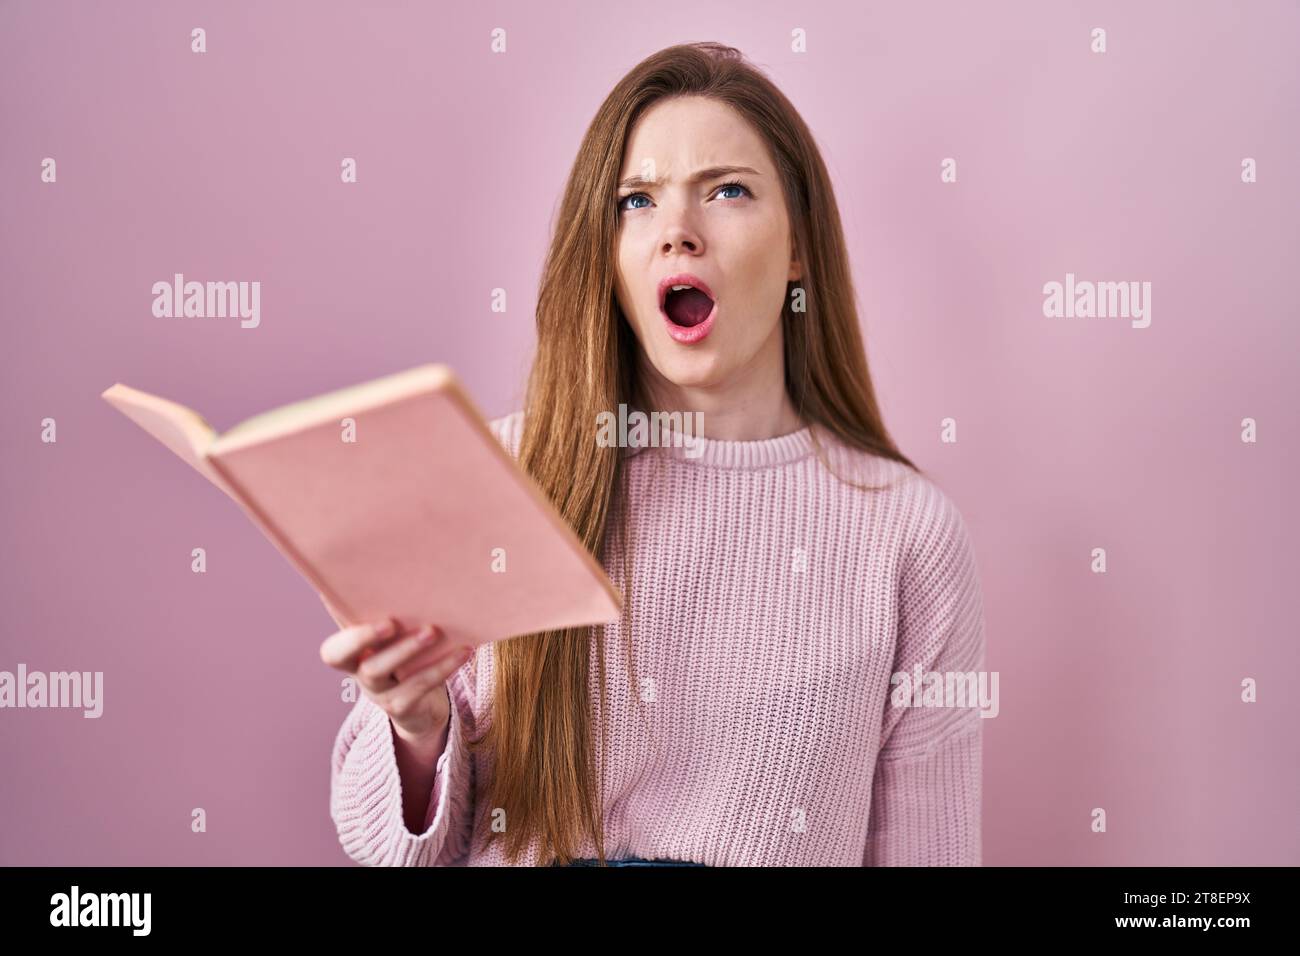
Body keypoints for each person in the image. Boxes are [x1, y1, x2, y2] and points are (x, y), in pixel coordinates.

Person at [321, 41, 986, 867]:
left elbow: (930, 850)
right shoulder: (508, 475)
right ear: (606, 254)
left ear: (797, 250)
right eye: (636, 201)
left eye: (729, 190)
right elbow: (392, 847)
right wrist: (415, 729)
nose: (678, 233)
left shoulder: (908, 535)